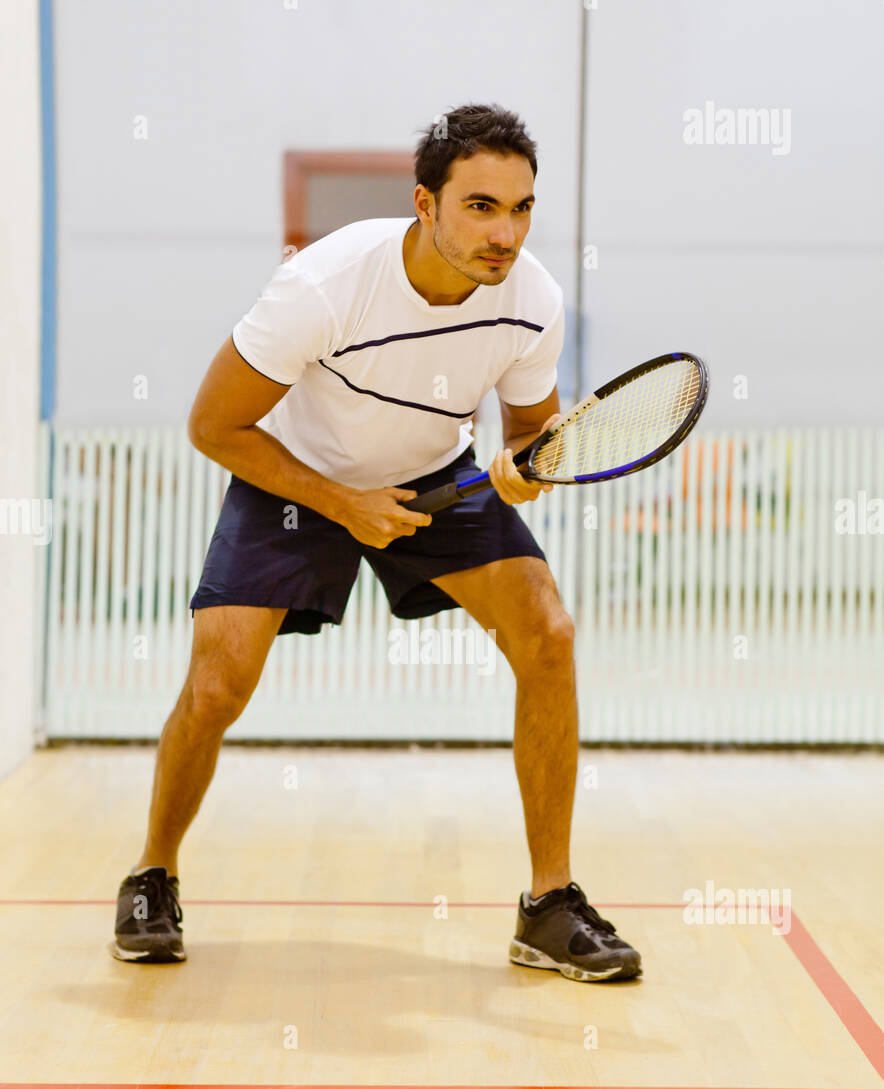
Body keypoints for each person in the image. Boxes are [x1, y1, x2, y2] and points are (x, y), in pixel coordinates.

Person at [112, 102, 641, 984]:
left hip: (436, 475)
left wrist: (523, 470)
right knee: (217, 682)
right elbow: (213, 425)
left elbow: (534, 442)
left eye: (521, 208)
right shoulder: (326, 284)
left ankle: (549, 904)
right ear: (425, 205)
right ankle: (151, 875)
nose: (504, 232)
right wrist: (341, 503)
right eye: (480, 206)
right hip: (297, 476)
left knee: (547, 633)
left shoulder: (531, 299)